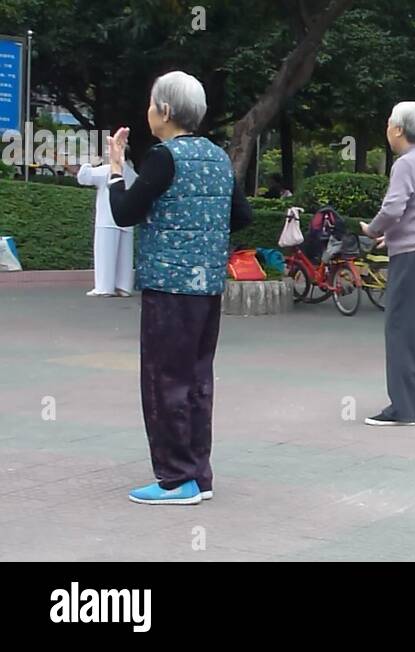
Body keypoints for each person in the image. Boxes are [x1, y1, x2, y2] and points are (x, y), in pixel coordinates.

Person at [105, 71, 252, 505]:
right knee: (196, 380)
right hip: (207, 288)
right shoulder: (217, 157)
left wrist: (116, 169)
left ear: (165, 111)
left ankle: (175, 478)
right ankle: (198, 474)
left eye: (152, 104)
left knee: (163, 379)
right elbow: (241, 216)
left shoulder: (162, 157)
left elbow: (125, 212)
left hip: (169, 288)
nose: (149, 111)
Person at [360, 101, 415, 426]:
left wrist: (373, 230)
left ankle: (401, 409)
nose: (387, 129)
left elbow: (394, 208)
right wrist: (393, 236)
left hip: (413, 257)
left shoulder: (406, 163)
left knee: (400, 330)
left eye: (388, 123)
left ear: (398, 129)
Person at [76, 157, 138, 297]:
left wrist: (88, 162)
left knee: (104, 255)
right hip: (126, 220)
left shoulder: (106, 170)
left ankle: (104, 287)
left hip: (107, 218)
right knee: (125, 256)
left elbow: (83, 177)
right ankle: (123, 287)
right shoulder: (132, 174)